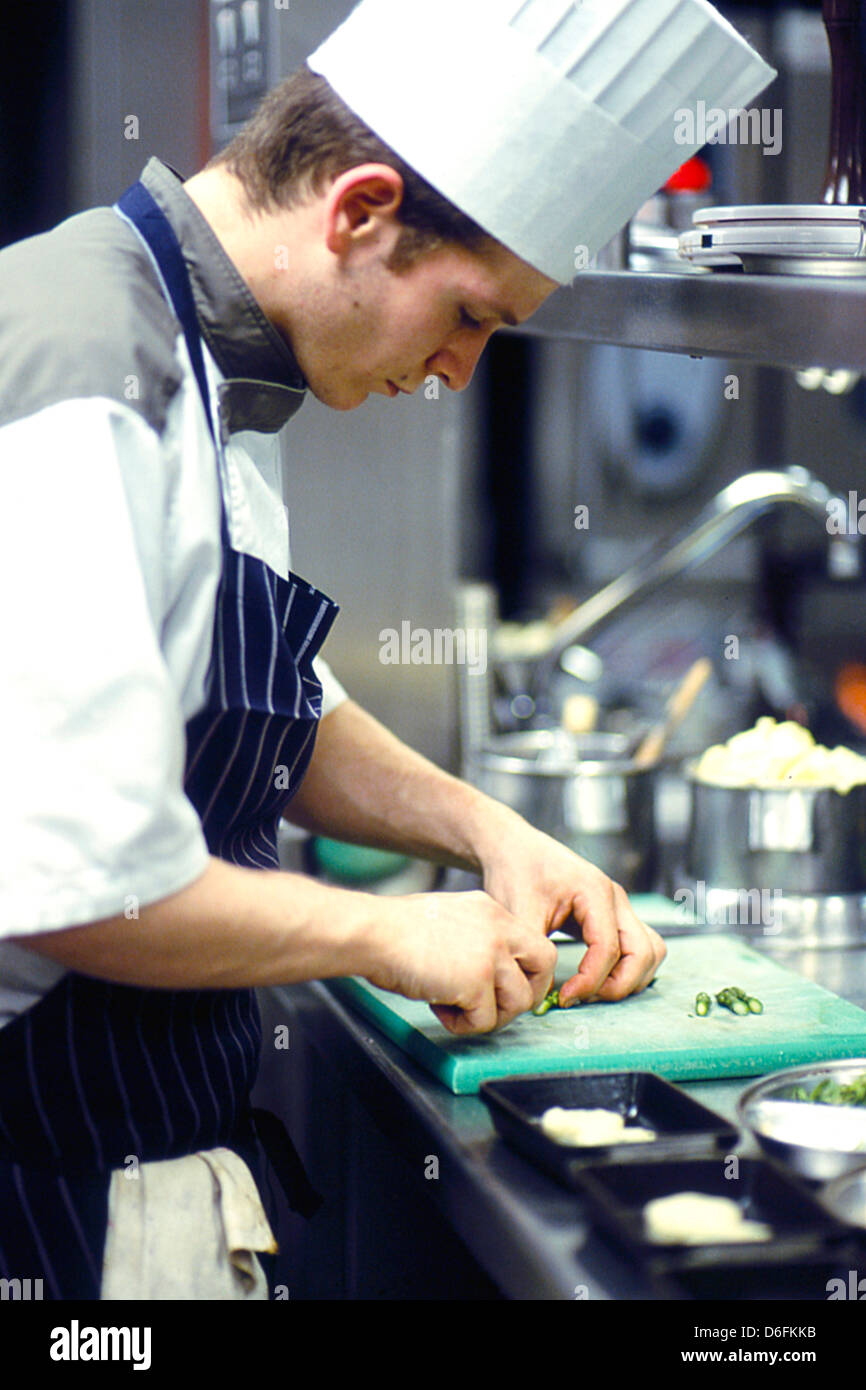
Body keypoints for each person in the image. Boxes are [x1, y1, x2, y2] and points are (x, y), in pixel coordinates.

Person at [0, 0, 772, 1299]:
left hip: (125, 1149)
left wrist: (487, 832)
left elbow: (266, 699)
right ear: (357, 210)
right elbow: (76, 885)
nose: (460, 369)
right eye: (469, 313)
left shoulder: (207, 357)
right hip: (40, 1183)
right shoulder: (88, 372)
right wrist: (388, 936)